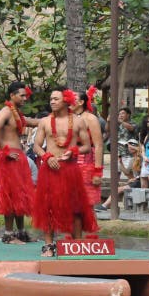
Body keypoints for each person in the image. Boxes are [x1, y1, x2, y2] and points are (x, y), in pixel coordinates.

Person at [32, 88, 98, 257]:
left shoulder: (78, 121)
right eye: (51, 99)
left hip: (70, 170)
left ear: (66, 101)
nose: (52, 101)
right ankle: (48, 245)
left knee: (75, 207)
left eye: (56, 99)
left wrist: (74, 151)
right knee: (49, 207)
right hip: (50, 169)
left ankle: (77, 245)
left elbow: (87, 146)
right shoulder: (45, 122)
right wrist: (46, 156)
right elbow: (36, 146)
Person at [0, 82, 38, 244]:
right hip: (9, 157)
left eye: (25, 95)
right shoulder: (6, 111)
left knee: (20, 196)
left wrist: (54, 118)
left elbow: (30, 121)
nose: (25, 98)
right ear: (12, 95)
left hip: (18, 157)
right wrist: (6, 150)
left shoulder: (16, 112)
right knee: (9, 195)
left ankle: (21, 232)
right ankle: (8, 234)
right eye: (21, 95)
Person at [73, 87, 105, 206]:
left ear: (81, 102)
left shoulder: (90, 118)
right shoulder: (67, 117)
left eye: (73, 98)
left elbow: (98, 145)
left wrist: (97, 172)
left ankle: (90, 225)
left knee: (86, 202)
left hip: (86, 161)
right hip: (69, 160)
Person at [96, 139, 141, 211]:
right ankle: (108, 205)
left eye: (133, 145)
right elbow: (127, 172)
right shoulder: (132, 159)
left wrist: (136, 178)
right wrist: (121, 163)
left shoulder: (142, 157)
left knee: (119, 189)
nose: (130, 147)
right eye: (129, 146)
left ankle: (105, 206)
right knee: (119, 188)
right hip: (137, 181)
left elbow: (144, 173)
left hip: (142, 181)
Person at [110, 107, 136, 179]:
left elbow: (131, 128)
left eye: (123, 113)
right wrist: (109, 121)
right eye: (119, 114)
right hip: (118, 153)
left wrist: (120, 121)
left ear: (128, 115)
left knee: (128, 173)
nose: (120, 115)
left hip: (129, 154)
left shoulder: (133, 123)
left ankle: (133, 188)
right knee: (116, 173)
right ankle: (115, 189)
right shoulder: (117, 124)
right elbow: (107, 129)